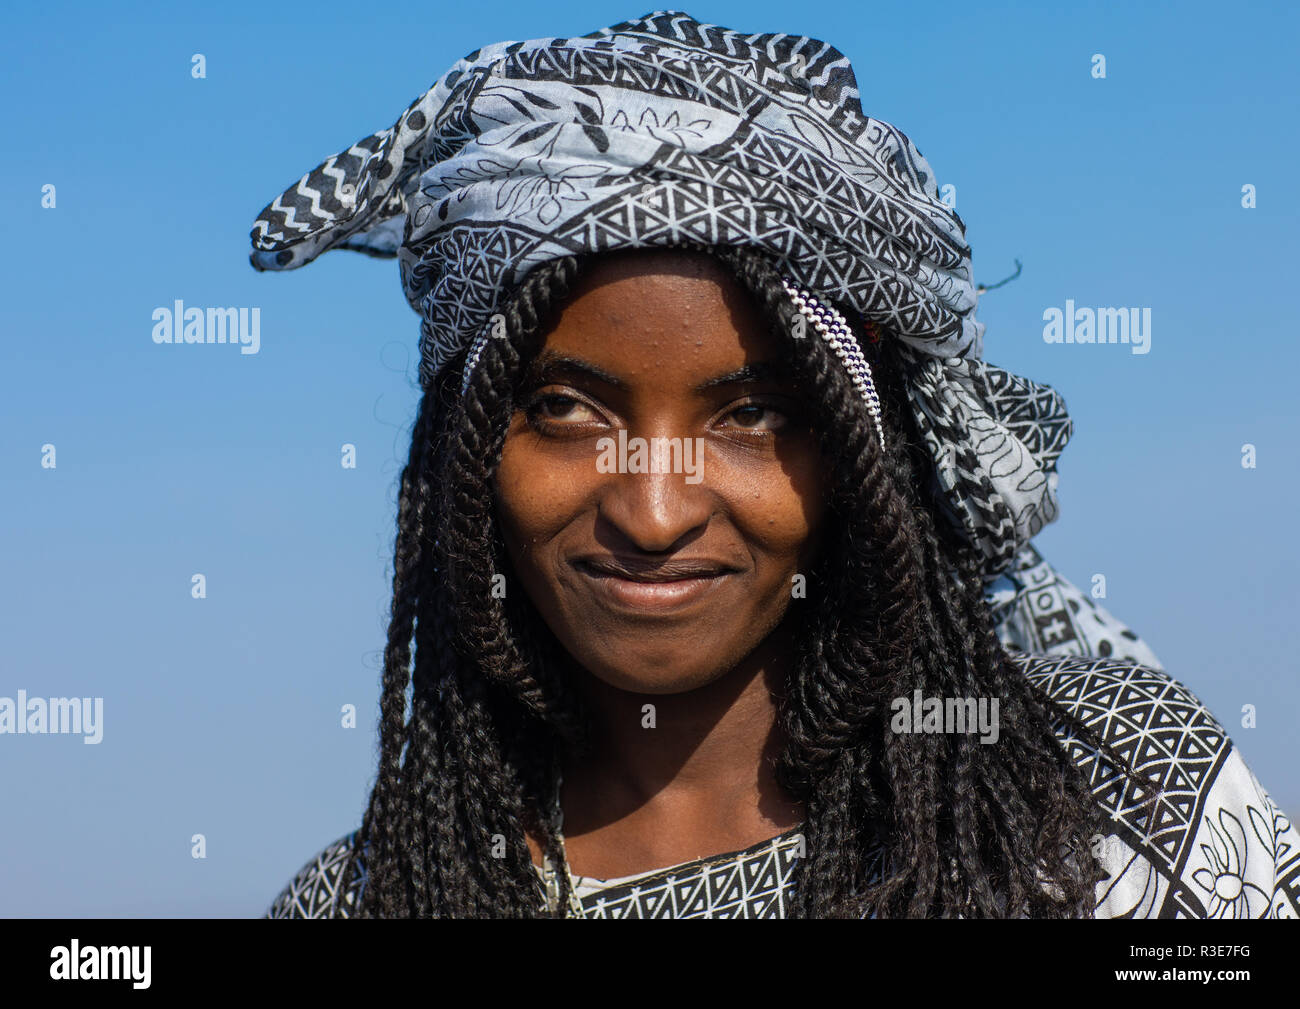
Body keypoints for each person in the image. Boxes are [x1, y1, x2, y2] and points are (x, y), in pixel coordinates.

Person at [249, 10, 1298, 918]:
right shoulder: (380, 899)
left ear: (856, 451)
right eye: (565, 409)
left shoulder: (1113, 799)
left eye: (751, 414)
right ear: (471, 450)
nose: (653, 511)